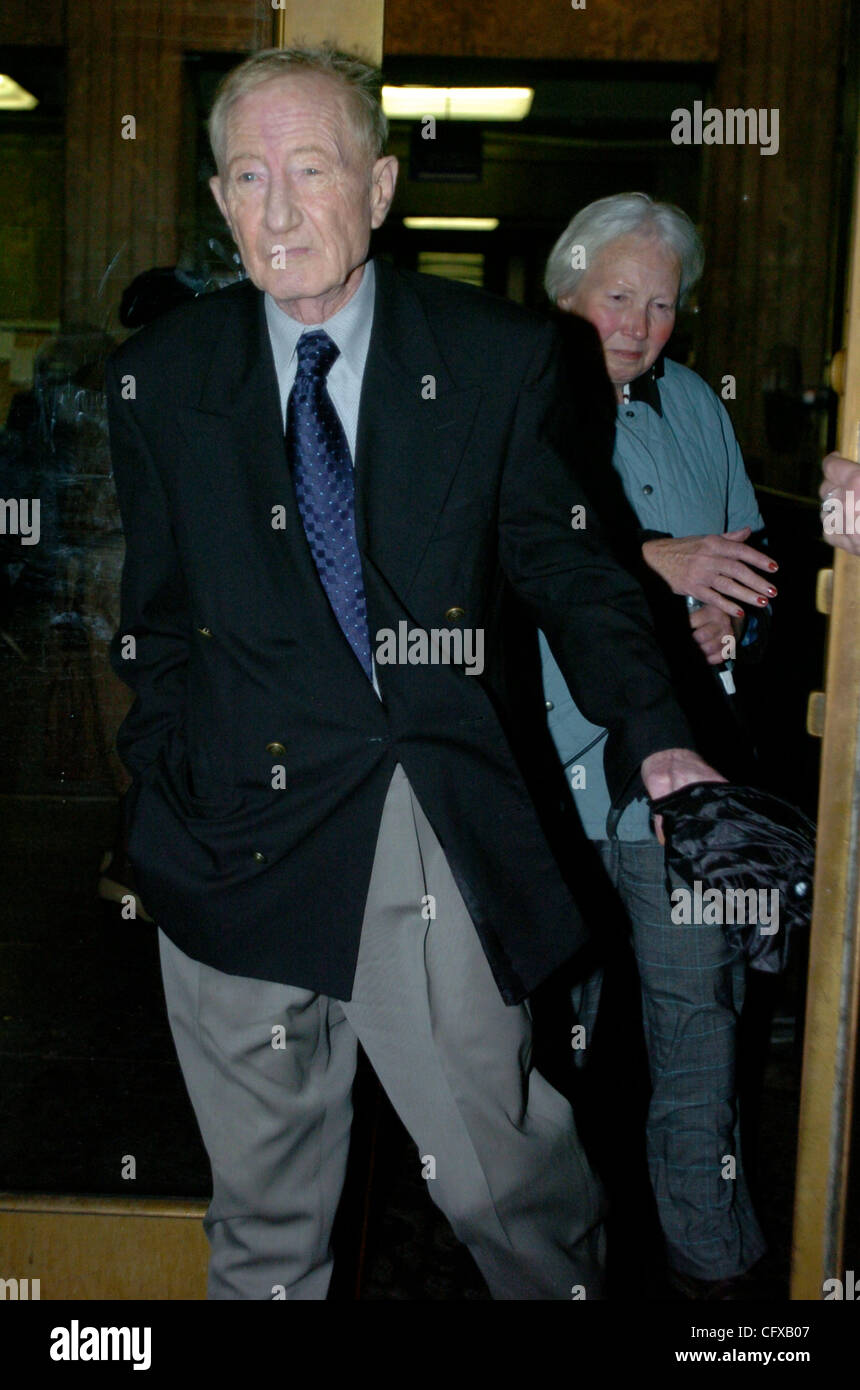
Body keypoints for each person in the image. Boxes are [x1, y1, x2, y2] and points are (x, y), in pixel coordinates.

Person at [106, 50, 720, 1301]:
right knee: (265, 1227)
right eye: (247, 177)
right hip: (230, 835)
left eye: (312, 170)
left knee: (505, 1188)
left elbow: (570, 569)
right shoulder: (165, 378)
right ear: (221, 202)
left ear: (379, 187)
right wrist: (165, 777)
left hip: (418, 829)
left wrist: (656, 731)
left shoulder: (496, 358)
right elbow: (157, 617)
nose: (278, 211)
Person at [538, 192, 773, 1295]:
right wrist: (654, 560)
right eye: (614, 296)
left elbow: (743, 561)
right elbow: (513, 572)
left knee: (697, 1026)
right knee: (559, 1053)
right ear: (564, 291)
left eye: (660, 304)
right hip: (540, 768)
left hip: (672, 781)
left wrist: (732, 614)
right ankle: (573, 1257)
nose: (634, 324)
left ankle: (711, 1278)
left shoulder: (692, 410)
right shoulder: (515, 402)